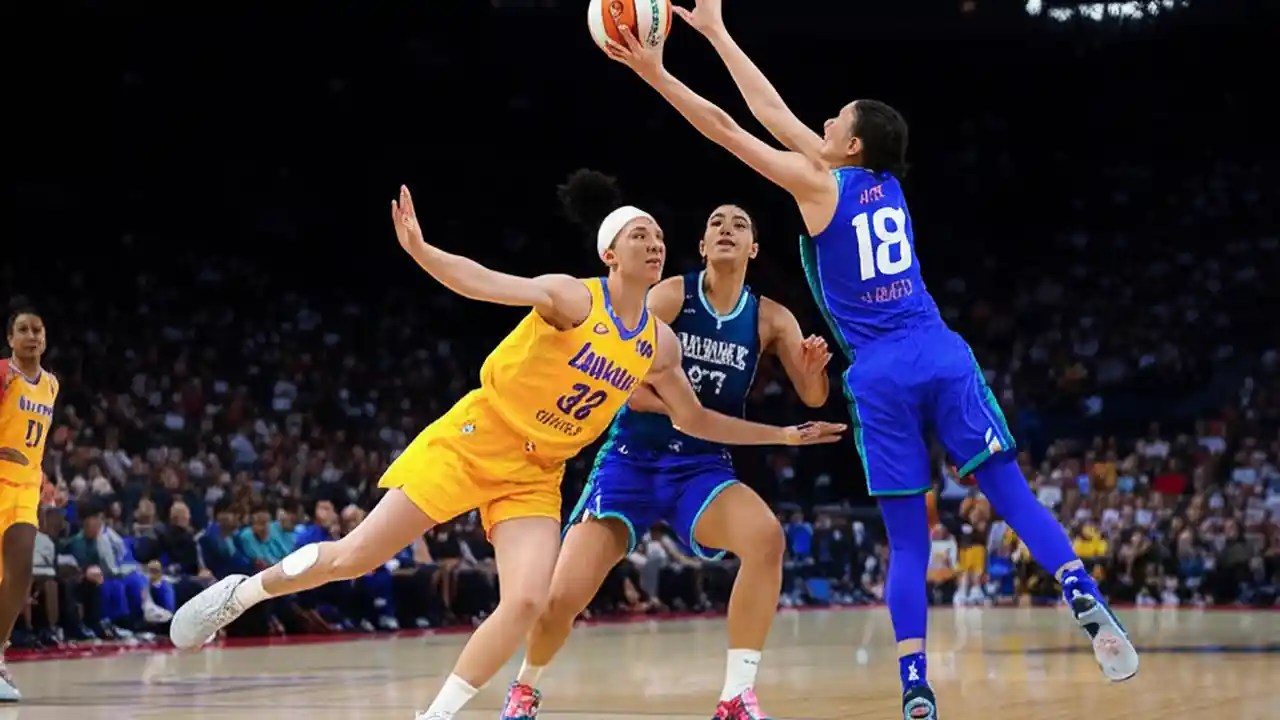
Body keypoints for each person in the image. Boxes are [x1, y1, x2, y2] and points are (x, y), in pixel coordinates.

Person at [600, 3, 1138, 718]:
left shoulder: (821, 187)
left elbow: (733, 126)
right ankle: (1079, 588)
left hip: (881, 373)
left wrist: (658, 74)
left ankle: (915, 683)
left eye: (833, 122)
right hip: (940, 351)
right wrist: (718, 33)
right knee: (1013, 496)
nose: (820, 125)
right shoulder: (887, 186)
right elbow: (775, 114)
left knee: (908, 544)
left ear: (850, 144)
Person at [169, 182, 845, 720]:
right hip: (479, 437)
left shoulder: (658, 344)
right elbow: (486, 281)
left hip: (537, 473)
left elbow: (696, 418)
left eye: (659, 237)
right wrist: (423, 252)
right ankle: (242, 593)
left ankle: (438, 714)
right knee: (356, 557)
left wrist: (783, 435)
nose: (654, 244)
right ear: (610, 254)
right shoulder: (571, 298)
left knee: (525, 602)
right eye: (640, 235)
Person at [503, 177, 834, 720]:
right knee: (562, 599)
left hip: (701, 468)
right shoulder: (673, 296)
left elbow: (813, 396)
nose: (726, 229)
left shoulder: (771, 318)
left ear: (753, 248)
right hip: (631, 462)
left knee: (766, 539)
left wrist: (814, 370)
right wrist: (681, 410)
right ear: (702, 245)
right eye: (716, 223)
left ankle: (736, 696)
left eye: (740, 224)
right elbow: (623, 380)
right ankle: (525, 687)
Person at [0, 308, 58, 702]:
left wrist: (45, 479)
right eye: (23, 329)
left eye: (37, 329)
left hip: (24, 490)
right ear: (10, 339)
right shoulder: (4, 374)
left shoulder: (51, 385)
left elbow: (33, 442)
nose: (31, 336)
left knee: (20, 570)